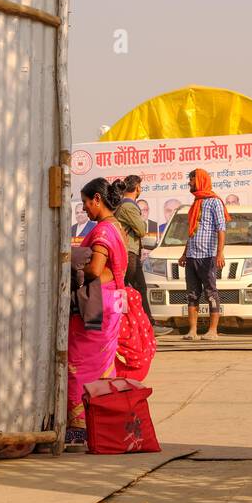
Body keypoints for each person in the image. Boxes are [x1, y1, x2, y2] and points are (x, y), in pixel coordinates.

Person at [65, 178, 129, 449]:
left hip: (97, 305)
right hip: (112, 303)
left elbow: (94, 269)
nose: (85, 208)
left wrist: (75, 263)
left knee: (77, 364)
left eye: (86, 202)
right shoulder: (117, 227)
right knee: (103, 365)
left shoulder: (103, 230)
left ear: (97, 200)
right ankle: (101, 424)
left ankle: (79, 429)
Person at [115, 175, 168, 336]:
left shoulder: (123, 205)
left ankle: (143, 324)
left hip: (130, 253)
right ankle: (143, 325)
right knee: (129, 288)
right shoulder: (128, 206)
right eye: (140, 187)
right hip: (129, 253)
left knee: (133, 288)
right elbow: (142, 229)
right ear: (137, 187)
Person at [178, 168, 227, 341]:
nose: (189, 183)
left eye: (191, 180)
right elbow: (192, 232)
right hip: (192, 256)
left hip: (208, 256)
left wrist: (219, 254)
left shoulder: (214, 202)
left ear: (199, 180)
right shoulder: (195, 203)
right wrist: (184, 254)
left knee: (211, 293)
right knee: (192, 294)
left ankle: (212, 331)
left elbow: (221, 229)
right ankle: (192, 331)